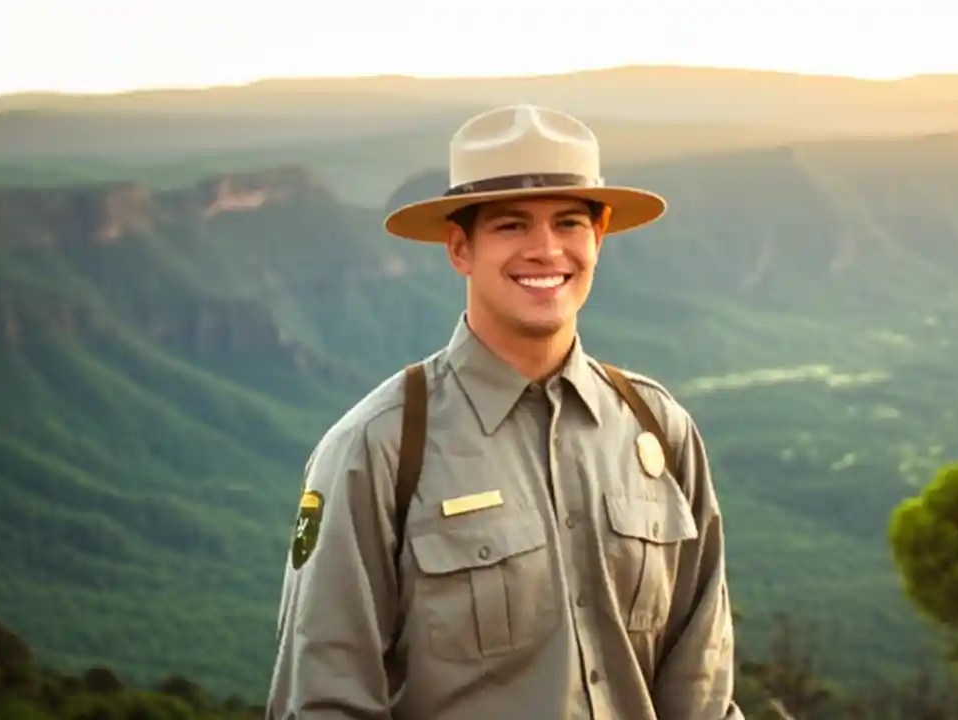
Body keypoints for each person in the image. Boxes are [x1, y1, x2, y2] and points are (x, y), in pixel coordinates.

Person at [266, 104, 744, 720]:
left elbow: (701, 684)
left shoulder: (657, 429)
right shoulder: (378, 447)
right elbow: (324, 699)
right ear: (459, 248)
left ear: (598, 239)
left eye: (569, 223)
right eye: (511, 226)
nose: (546, 251)